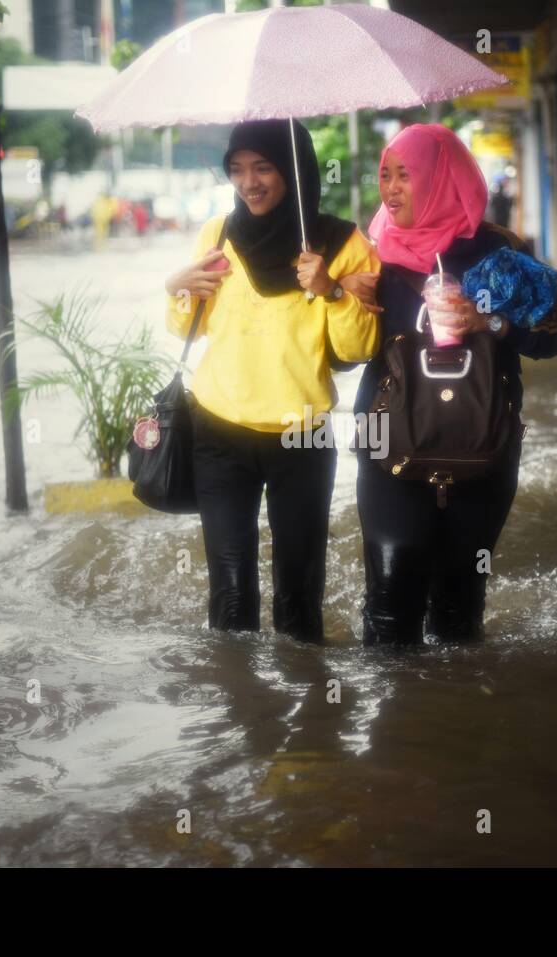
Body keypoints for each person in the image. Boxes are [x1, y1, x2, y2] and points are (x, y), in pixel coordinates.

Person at [346, 124, 557, 646]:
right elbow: (339, 356)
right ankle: (393, 723)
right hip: (388, 448)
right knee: (389, 607)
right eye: (385, 176)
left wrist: (488, 321)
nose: (392, 188)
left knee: (460, 607)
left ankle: (457, 717)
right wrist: (336, 296)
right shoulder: (367, 257)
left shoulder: (502, 252)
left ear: (442, 176)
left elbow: (552, 340)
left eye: (407, 175)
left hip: (483, 449)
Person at [162, 119, 381, 643]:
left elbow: (360, 348)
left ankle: (307, 713)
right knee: (230, 596)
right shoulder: (215, 235)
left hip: (302, 435)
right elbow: (186, 326)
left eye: (263, 167)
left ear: (294, 169)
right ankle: (242, 711)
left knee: (299, 597)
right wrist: (177, 288)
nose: (249, 182)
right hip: (219, 431)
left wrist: (330, 290)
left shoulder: (343, 243)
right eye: (237, 169)